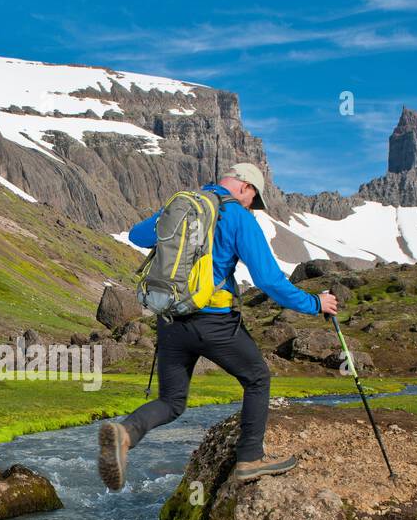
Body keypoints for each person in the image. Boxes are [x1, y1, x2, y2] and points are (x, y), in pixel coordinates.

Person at [98, 162, 338, 490]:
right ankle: (250, 459)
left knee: (172, 401)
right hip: (213, 322)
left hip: (171, 320)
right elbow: (268, 279)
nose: (252, 206)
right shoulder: (238, 216)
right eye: (254, 200)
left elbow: (137, 235)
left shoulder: (182, 205)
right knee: (256, 378)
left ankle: (126, 433)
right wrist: (315, 304)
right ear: (246, 188)